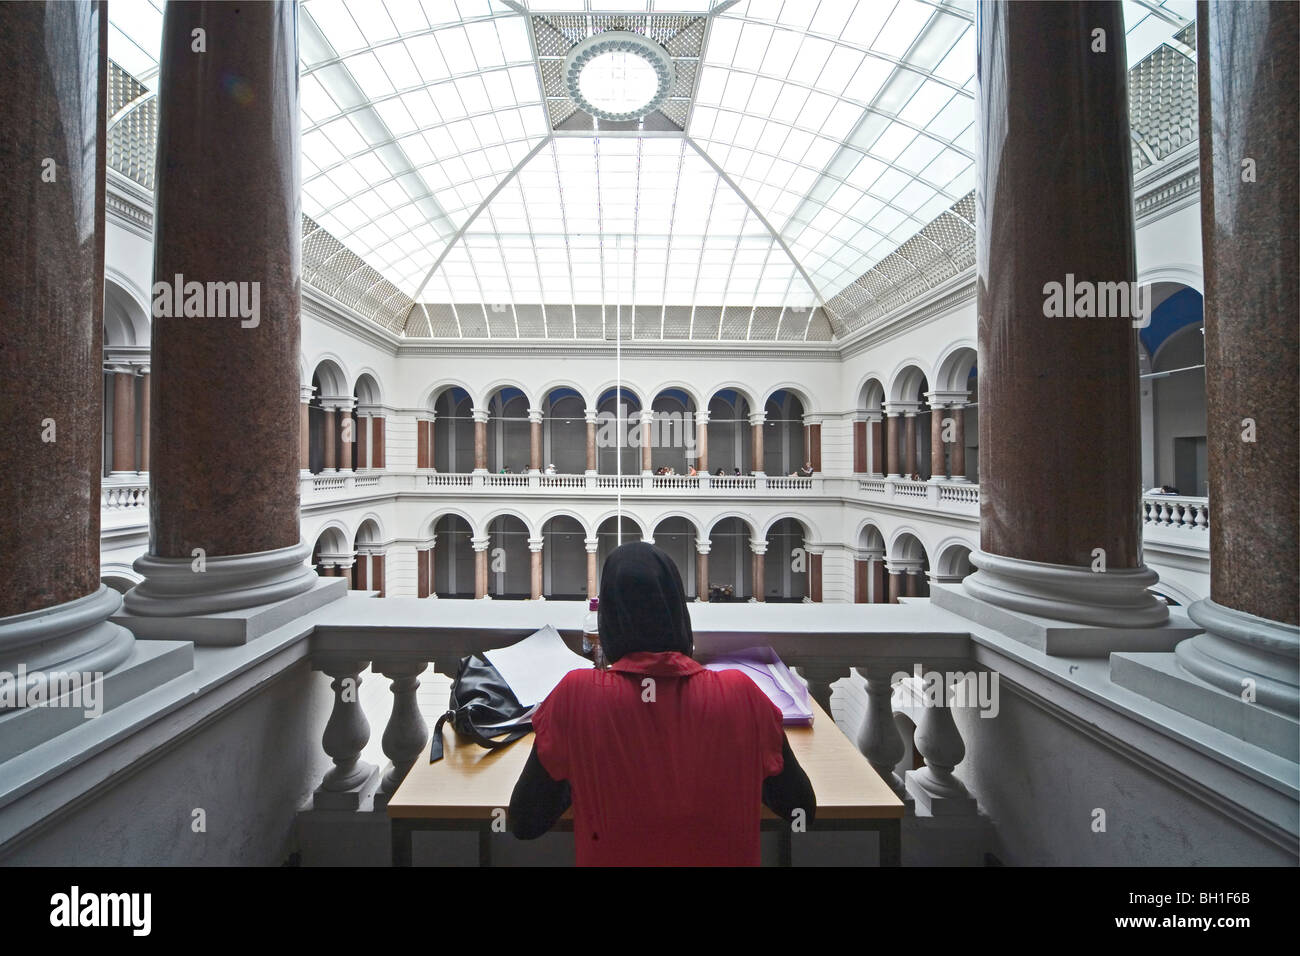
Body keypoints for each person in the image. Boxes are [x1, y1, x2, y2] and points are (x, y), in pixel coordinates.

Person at [508, 542, 815, 865]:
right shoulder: (742, 696)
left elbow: (525, 823)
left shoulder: (576, 697)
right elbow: (801, 811)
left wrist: (582, 774)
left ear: (609, 619)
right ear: (678, 612)